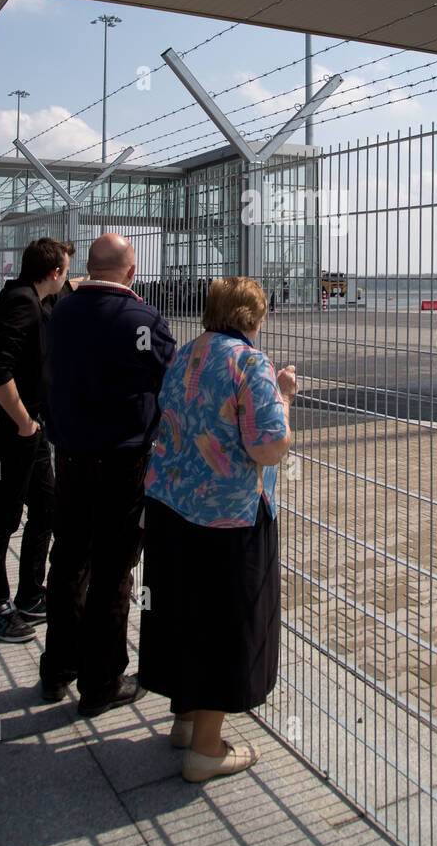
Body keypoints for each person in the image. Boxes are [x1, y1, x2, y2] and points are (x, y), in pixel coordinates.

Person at [138, 275, 297, 783]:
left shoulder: (184, 353)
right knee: (224, 622)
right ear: (253, 318)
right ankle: (206, 749)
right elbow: (268, 447)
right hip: (227, 517)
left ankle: (185, 720)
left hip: (169, 506)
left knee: (180, 611)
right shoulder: (251, 364)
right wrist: (287, 397)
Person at [39, 233, 176, 717]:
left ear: (89, 269)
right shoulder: (141, 319)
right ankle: (102, 683)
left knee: (70, 558)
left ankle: (57, 669)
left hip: (70, 457)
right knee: (115, 568)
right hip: (123, 461)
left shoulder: (59, 314)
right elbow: (171, 379)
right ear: (132, 272)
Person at [0, 237, 72, 642]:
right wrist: (23, 422)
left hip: (28, 430)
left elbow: (69, 285)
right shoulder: (22, 303)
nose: (67, 274)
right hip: (11, 431)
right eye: (65, 268)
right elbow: (0, 371)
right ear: (53, 272)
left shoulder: (32, 295)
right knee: (1, 517)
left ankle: (31, 594)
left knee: (46, 507)